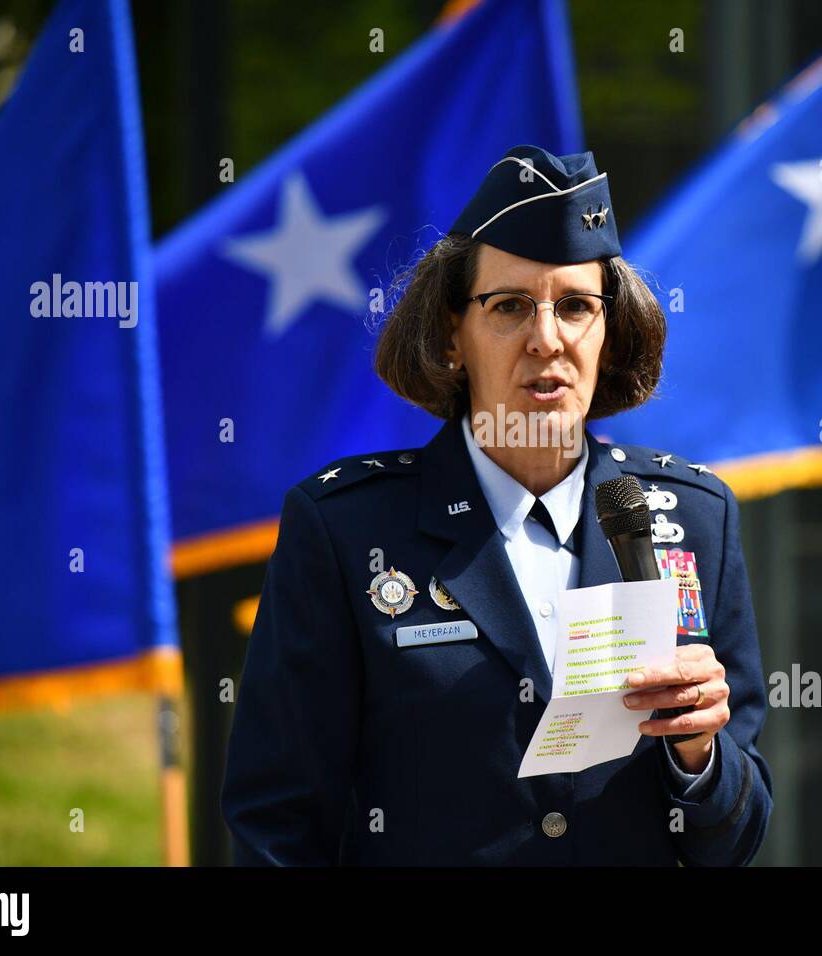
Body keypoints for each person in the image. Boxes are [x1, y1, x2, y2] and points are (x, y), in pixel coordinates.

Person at [221, 144, 772, 865]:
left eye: (576, 306)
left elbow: (735, 838)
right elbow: (275, 827)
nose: (548, 340)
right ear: (453, 334)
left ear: (610, 333)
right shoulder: (346, 530)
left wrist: (699, 753)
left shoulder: (693, 517)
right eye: (510, 307)